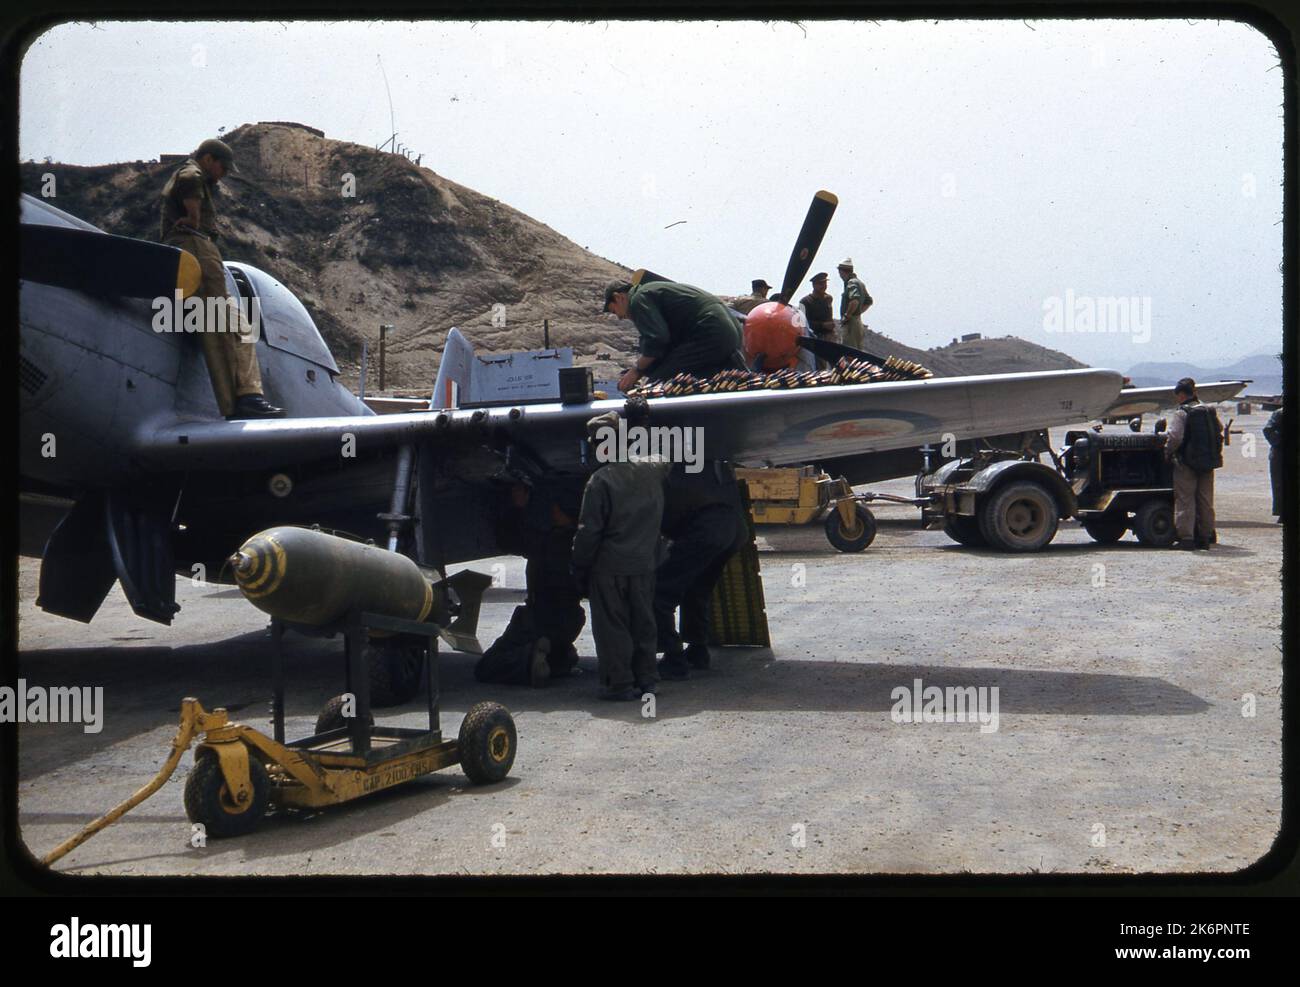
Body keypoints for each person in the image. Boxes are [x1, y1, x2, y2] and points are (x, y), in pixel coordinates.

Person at [160, 139, 282, 419]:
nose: (224, 174)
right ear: (208, 159)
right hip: (196, 247)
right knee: (218, 321)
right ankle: (241, 403)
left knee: (233, 322)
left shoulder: (194, 175)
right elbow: (190, 180)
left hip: (193, 248)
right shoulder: (192, 173)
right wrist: (193, 216)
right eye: (223, 167)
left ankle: (248, 396)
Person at [570, 413, 669, 700]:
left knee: (613, 626)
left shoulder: (600, 481)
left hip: (609, 567)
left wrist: (579, 565)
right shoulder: (652, 468)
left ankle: (620, 684)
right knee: (643, 622)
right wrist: (643, 425)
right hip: (644, 564)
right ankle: (648, 679)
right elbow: (666, 458)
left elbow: (588, 532)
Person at [474, 476, 587, 688]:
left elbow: (508, 540)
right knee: (559, 656)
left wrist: (517, 508)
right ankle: (560, 656)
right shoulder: (582, 547)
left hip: (539, 618)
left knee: (486, 667)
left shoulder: (545, 543)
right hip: (571, 619)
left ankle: (529, 657)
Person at [655, 460, 746, 680]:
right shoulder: (702, 459)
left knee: (658, 593)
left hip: (706, 529)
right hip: (732, 528)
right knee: (697, 588)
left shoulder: (648, 469)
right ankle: (697, 650)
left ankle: (673, 658)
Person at [603, 279, 746, 392]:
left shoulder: (638, 300)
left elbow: (657, 340)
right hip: (730, 331)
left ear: (619, 297)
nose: (621, 318)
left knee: (658, 386)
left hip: (709, 331)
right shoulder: (651, 291)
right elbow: (667, 346)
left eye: (615, 311)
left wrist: (636, 371)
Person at [1164, 378, 1221, 549]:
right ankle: (1205, 536)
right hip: (1207, 462)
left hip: (1186, 464)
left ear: (1181, 395)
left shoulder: (1182, 413)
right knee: (1205, 500)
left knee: (1185, 500)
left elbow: (1175, 438)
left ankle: (1186, 538)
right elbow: (1219, 432)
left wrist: (1167, 452)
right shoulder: (1209, 411)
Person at [799, 272, 836, 369]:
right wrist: (822, 325)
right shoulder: (804, 302)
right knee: (820, 365)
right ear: (814, 285)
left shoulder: (828, 299)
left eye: (825, 284)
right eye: (820, 284)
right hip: (816, 337)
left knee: (835, 363)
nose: (824, 286)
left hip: (830, 337)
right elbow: (803, 324)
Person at [836, 257, 873, 353]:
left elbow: (855, 300)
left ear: (842, 271)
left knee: (849, 352)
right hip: (857, 321)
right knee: (857, 350)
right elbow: (869, 301)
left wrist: (847, 315)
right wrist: (858, 313)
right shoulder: (859, 283)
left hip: (851, 323)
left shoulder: (851, 283)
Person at [1264, 406, 1283, 522]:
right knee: (1279, 484)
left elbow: (1268, 430)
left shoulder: (1279, 413)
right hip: (1280, 453)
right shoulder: (1280, 413)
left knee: (1279, 484)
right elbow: (1268, 430)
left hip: (1280, 453)